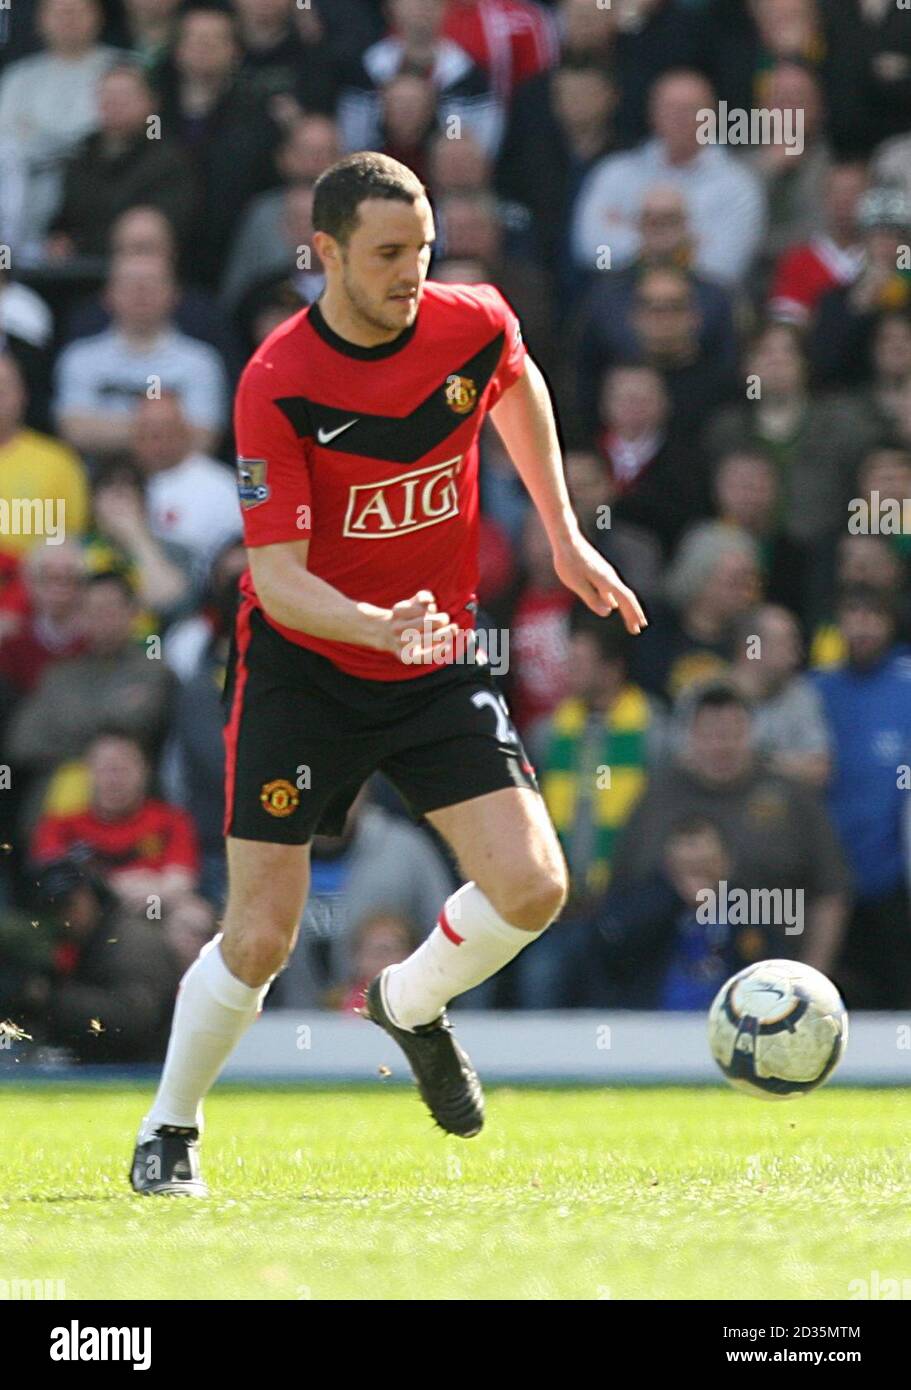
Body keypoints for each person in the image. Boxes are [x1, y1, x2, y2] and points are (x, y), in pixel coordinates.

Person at [129, 151, 646, 1196]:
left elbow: (515, 378)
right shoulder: (277, 382)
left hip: (430, 658)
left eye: (421, 247)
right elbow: (275, 581)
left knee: (534, 884)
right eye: (385, 253)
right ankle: (169, 1127)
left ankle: (405, 1001)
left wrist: (560, 533)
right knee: (261, 933)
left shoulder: (473, 320)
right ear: (323, 255)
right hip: (306, 668)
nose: (412, 269)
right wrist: (373, 622)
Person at [813, 588, 911, 1009]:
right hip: (829, 876)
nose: (862, 627)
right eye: (852, 614)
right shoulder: (817, 688)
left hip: (895, 878)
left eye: (873, 615)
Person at [54, 252, 229, 460]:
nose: (140, 292)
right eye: (130, 283)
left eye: (152, 283)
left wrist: (108, 428)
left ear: (175, 294)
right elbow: (74, 431)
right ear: (108, 294)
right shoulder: (79, 359)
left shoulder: (201, 362)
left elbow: (204, 439)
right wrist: (166, 430)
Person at [31, 729, 200, 911]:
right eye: (105, 769)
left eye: (123, 769)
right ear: (87, 773)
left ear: (145, 770)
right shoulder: (61, 825)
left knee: (193, 916)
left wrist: (114, 885)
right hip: (92, 919)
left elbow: (181, 883)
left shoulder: (171, 820)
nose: (114, 780)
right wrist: (123, 885)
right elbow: (54, 883)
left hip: (155, 910)